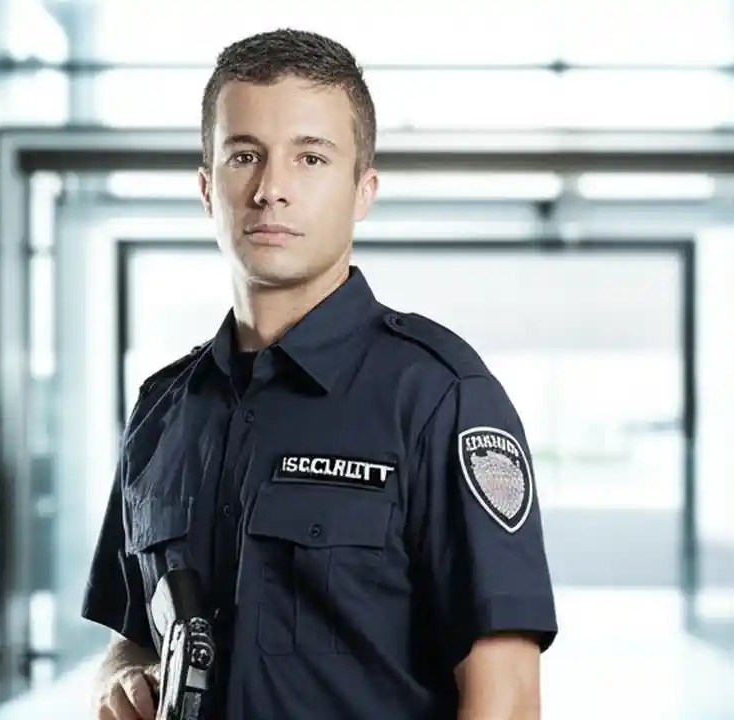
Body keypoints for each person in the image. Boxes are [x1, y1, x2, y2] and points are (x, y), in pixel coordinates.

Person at [82, 28, 557, 720]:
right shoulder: (162, 412)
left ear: (363, 190)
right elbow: (130, 637)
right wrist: (119, 677)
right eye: (245, 155)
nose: (271, 190)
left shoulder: (439, 397)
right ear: (207, 187)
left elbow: (506, 694)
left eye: (310, 158)